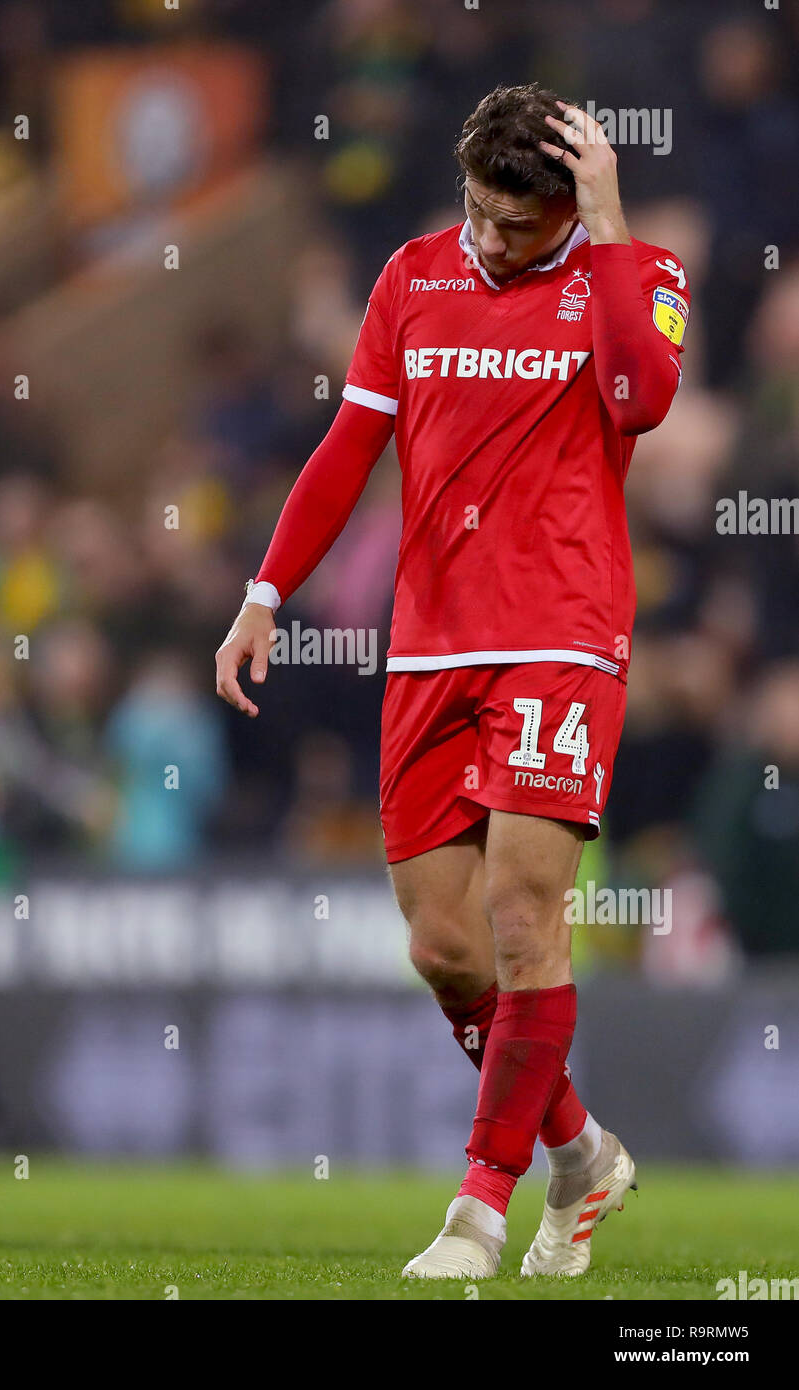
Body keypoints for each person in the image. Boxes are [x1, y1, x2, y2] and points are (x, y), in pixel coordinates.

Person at [216, 84, 690, 1279]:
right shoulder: (412, 275)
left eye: (514, 221)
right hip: (427, 641)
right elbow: (347, 448)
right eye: (475, 209)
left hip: (559, 631)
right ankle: (579, 1154)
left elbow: (643, 396)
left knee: (527, 920)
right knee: (444, 947)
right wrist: (265, 591)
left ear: (571, 202)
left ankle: (479, 1208)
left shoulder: (637, 279)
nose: (486, 236)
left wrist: (614, 230)